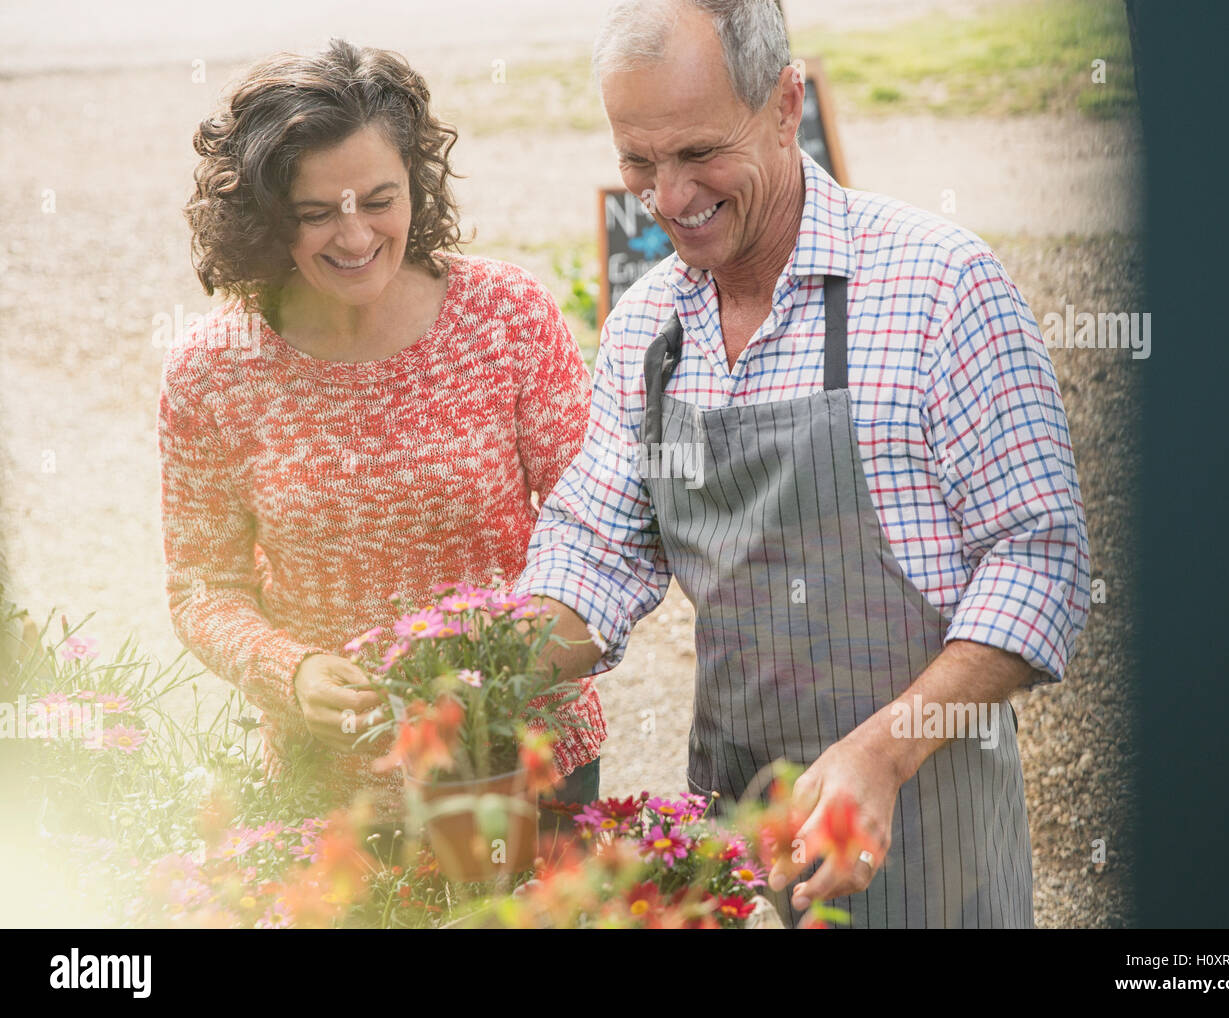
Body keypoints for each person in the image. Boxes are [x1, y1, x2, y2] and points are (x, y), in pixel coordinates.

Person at [514, 0, 1089, 927]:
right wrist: (480, 672)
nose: (665, 199)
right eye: (638, 162)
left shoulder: (938, 285)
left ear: (786, 105)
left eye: (699, 153)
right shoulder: (650, 332)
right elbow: (597, 546)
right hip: (737, 838)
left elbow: (1040, 563)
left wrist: (882, 755)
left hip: (933, 832)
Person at [158, 39, 605, 829]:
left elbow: (594, 529)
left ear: (418, 185)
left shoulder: (505, 316)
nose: (355, 234)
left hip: (521, 764)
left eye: (379, 198)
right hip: (331, 788)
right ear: (265, 219)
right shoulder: (213, 369)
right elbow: (204, 587)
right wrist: (288, 672)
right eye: (316, 213)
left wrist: (515, 669)